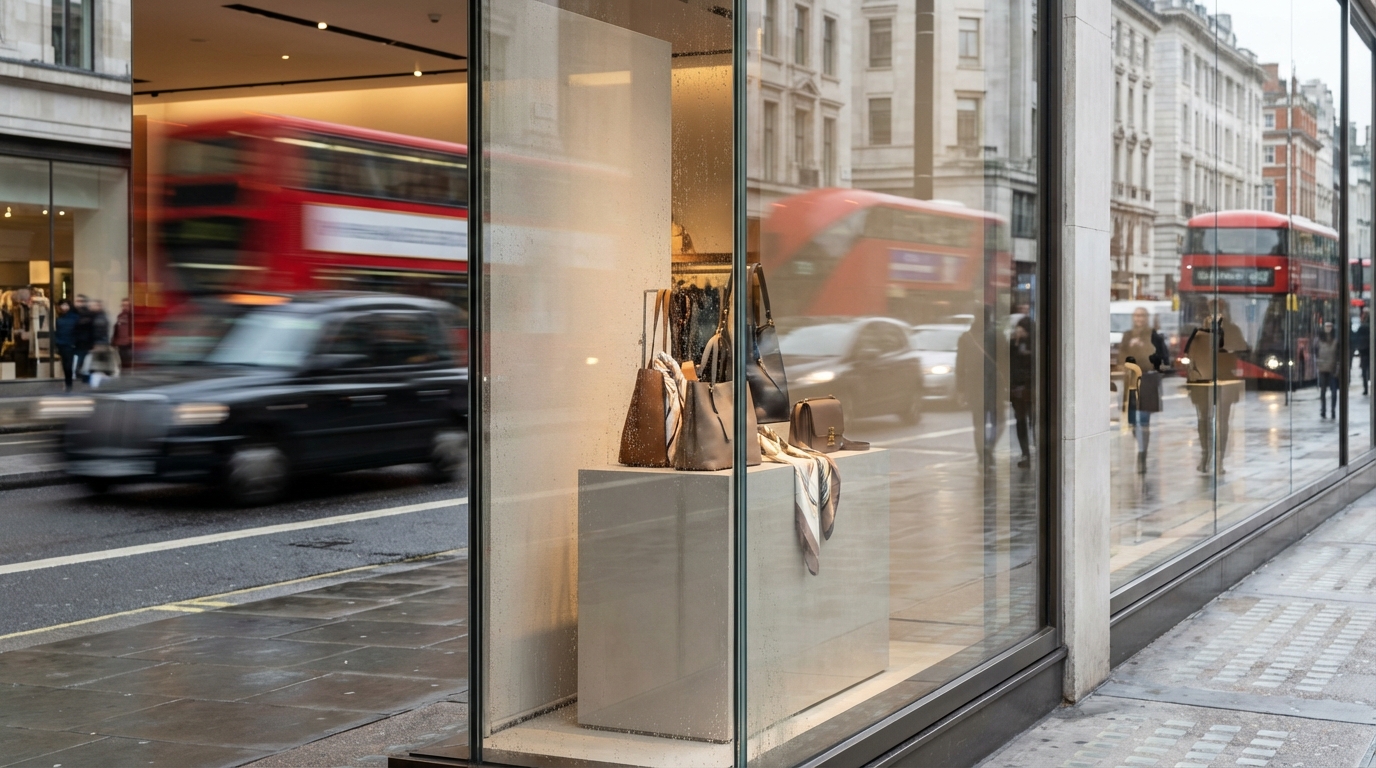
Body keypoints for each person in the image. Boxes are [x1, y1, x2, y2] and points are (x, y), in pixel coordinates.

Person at [1185, 300, 1247, 474]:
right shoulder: (1198, 333)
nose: (1215, 315)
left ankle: (1219, 459)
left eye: (1218, 311)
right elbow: (1190, 355)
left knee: (1222, 421)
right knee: (1203, 419)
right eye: (1212, 311)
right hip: (1202, 382)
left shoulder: (1232, 329)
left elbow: (1241, 348)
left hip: (1224, 381)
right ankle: (1205, 455)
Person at [1009, 316, 1035, 468]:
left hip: (1029, 389)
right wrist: (1015, 343)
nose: (1019, 331)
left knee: (1034, 421)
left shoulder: (1035, 344)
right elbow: (1008, 363)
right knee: (1020, 422)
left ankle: (1035, 451)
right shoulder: (1014, 344)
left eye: (1022, 329)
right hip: (1016, 389)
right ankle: (1025, 453)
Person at [53, 299, 78, 391]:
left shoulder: (73, 317)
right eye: (62, 305)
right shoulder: (59, 318)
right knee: (66, 365)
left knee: (68, 365)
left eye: (65, 305)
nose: (63, 307)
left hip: (69, 343)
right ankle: (68, 383)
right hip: (63, 343)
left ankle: (69, 383)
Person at [1317, 321, 1340, 419]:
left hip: (1332, 369)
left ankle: (1333, 410)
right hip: (1323, 369)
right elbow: (1316, 352)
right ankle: (1323, 410)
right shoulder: (1319, 340)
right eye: (1326, 326)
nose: (1328, 328)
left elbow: (1338, 356)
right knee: (1323, 391)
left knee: (1333, 391)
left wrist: (1338, 368)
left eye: (1330, 326)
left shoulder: (1336, 341)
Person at [72, 294, 93, 381]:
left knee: (82, 361)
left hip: (84, 342)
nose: (78, 304)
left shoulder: (88, 314)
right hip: (76, 342)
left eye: (81, 301)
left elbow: (92, 329)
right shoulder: (72, 313)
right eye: (77, 301)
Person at [111, 298, 133, 372]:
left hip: (130, 342)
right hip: (121, 342)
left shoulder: (133, 317)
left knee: (129, 362)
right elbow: (116, 329)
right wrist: (113, 341)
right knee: (123, 361)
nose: (125, 307)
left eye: (127, 305)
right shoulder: (120, 316)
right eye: (123, 305)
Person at [1353, 311, 1371, 397]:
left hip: (1364, 352)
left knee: (1364, 372)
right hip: (1369, 352)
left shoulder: (1362, 327)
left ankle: (1366, 389)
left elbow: (1356, 338)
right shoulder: (1371, 327)